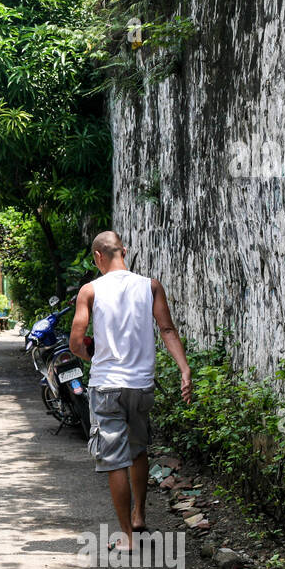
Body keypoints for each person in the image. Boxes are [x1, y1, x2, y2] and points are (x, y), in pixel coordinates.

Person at [69, 231, 192, 552]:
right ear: (124, 251)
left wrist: (92, 357)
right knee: (137, 450)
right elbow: (167, 329)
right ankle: (139, 514)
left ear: (98, 257)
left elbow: (76, 342)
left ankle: (127, 537)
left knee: (114, 460)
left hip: (107, 386)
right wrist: (184, 369)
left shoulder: (90, 290)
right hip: (141, 385)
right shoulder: (150, 286)